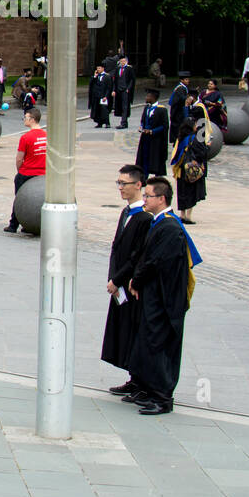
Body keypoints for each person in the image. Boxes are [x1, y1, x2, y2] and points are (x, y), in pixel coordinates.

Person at [127, 178, 201, 415]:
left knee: (159, 344)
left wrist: (137, 280)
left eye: (148, 195)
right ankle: (149, 390)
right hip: (156, 296)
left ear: (162, 199)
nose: (145, 199)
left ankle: (162, 397)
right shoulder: (161, 223)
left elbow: (155, 261)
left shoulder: (169, 227)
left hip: (165, 300)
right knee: (150, 342)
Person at [101, 164, 151, 397]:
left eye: (124, 183)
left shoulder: (144, 217)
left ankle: (140, 379)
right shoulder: (126, 212)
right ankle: (132, 376)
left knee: (134, 330)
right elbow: (116, 246)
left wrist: (119, 279)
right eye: (118, 183)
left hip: (132, 285)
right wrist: (112, 277)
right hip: (119, 284)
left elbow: (136, 255)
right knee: (122, 331)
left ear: (138, 185)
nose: (120, 188)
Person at [4, 108, 47, 233]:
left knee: (20, 200)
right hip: (42, 174)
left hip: (27, 172)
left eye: (26, 118)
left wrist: (20, 170)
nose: (24, 120)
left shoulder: (26, 137)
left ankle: (13, 225)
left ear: (32, 119)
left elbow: (19, 159)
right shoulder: (46, 136)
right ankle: (28, 224)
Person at [171, 113, 206, 224]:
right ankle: (188, 216)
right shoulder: (195, 138)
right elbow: (201, 153)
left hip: (181, 168)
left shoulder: (180, 139)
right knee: (191, 192)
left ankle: (182, 214)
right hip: (190, 168)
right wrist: (208, 146)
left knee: (181, 191)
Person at [135, 88, 169, 178]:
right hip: (145, 138)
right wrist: (141, 127)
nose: (146, 97)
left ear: (153, 97)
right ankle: (144, 176)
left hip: (156, 139)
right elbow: (143, 120)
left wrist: (152, 131)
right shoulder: (147, 108)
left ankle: (158, 177)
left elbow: (165, 126)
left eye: (148, 96)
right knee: (145, 157)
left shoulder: (162, 110)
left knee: (155, 158)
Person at [168, 72, 191, 142]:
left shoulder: (182, 88)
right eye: (186, 79)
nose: (188, 81)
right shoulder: (181, 89)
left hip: (178, 112)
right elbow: (181, 100)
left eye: (188, 79)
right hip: (178, 113)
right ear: (182, 80)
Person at [113, 56, 136, 128]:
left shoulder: (129, 69)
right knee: (120, 106)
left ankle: (123, 122)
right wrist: (114, 90)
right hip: (118, 89)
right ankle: (125, 122)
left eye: (124, 61)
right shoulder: (117, 69)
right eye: (121, 61)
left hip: (125, 90)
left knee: (125, 106)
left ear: (126, 61)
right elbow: (115, 80)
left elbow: (132, 80)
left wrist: (128, 88)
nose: (122, 62)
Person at [88, 63, 112, 127]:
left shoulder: (107, 76)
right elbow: (91, 84)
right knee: (97, 110)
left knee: (104, 110)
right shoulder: (96, 76)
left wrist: (106, 96)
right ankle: (99, 123)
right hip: (96, 96)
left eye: (99, 68)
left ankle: (107, 123)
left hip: (103, 96)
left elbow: (109, 88)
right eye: (97, 68)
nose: (98, 69)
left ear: (103, 68)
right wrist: (94, 76)